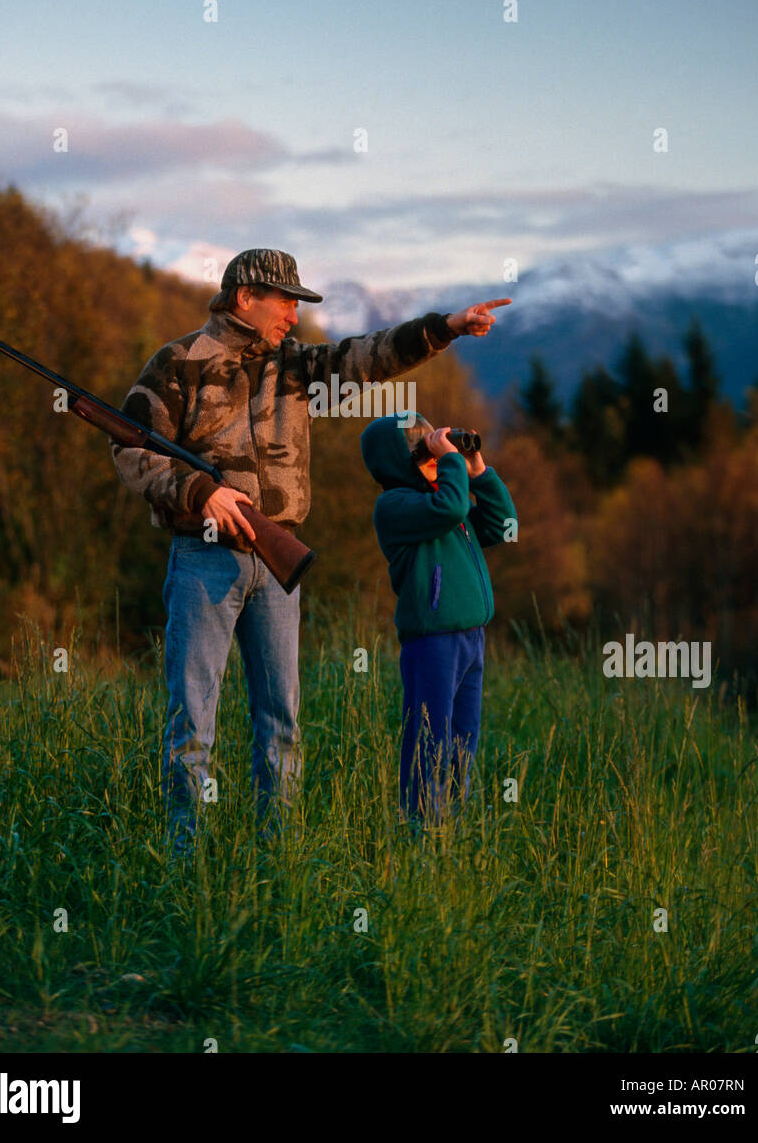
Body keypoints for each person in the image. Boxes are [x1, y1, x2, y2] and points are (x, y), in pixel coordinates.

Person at [111, 247, 510, 852]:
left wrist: (446, 328)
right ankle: (182, 863)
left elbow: (369, 357)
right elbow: (131, 451)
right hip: (204, 559)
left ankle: (279, 858)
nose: (294, 317)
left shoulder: (296, 367)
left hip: (278, 563)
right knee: (192, 722)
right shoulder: (177, 363)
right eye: (286, 302)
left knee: (282, 724)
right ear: (246, 297)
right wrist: (197, 493)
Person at [359, 412, 517, 826]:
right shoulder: (395, 506)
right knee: (429, 743)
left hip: (470, 639)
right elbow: (448, 507)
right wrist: (448, 459)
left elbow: (504, 526)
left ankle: (451, 834)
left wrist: (478, 470)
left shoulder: (445, 499)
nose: (432, 457)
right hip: (432, 642)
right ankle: (420, 836)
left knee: (462, 744)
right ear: (400, 459)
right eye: (421, 449)